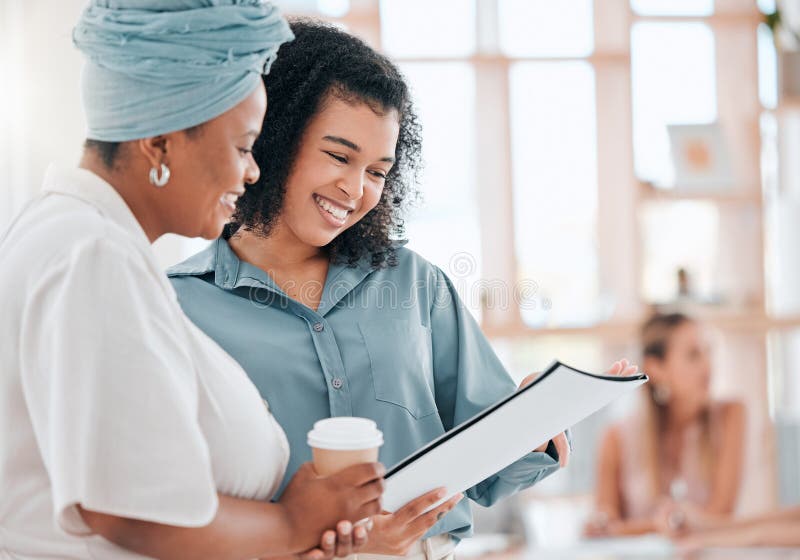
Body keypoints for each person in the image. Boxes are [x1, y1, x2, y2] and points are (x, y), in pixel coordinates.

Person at [168, 20, 638, 560]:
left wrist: (533, 421)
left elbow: (491, 472)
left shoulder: (414, 284)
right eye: (339, 156)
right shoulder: (182, 306)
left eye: (377, 170)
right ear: (273, 137)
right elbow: (177, 503)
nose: (355, 188)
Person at [0, 3, 387, 558]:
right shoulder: (93, 255)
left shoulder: (79, 238)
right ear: (160, 143)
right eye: (240, 146)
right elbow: (127, 510)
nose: (253, 170)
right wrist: (290, 526)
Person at [585, 312, 745, 538]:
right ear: (656, 369)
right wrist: (606, 525)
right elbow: (605, 524)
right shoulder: (616, 437)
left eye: (708, 352)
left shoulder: (730, 416)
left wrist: (631, 529)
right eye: (693, 355)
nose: (708, 366)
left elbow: (720, 514)